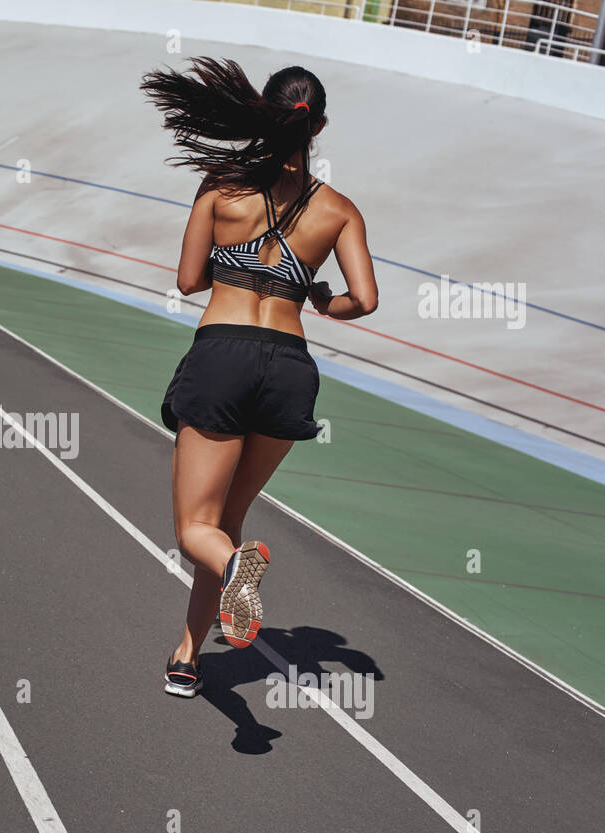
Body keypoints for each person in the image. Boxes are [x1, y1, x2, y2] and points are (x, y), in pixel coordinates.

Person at [140, 58, 378, 698]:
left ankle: (237, 571)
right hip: (290, 367)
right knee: (228, 518)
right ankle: (190, 652)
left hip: (224, 354)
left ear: (263, 115)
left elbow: (189, 280)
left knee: (196, 529)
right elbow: (365, 300)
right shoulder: (340, 210)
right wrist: (322, 301)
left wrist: (229, 260)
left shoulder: (224, 185)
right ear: (319, 125)